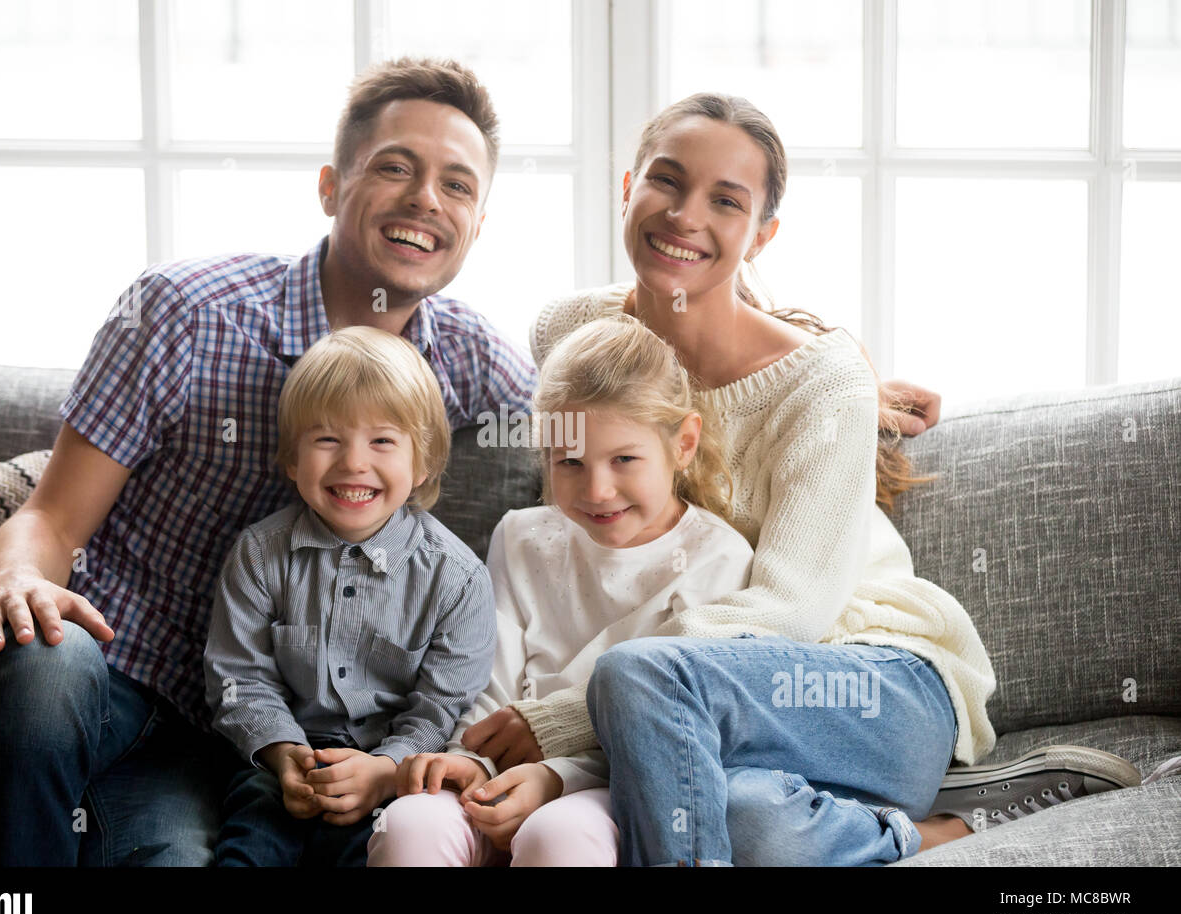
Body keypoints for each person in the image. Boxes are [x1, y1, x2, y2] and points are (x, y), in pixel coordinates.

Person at [462, 92, 1140, 866]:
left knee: (636, 673)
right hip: (708, 711)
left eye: (726, 200)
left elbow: (792, 608)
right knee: (748, 826)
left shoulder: (822, 385)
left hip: (869, 682)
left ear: (762, 234)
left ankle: (894, 790)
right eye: (666, 181)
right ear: (627, 188)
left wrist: (563, 719)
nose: (685, 215)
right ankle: (932, 829)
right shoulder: (570, 331)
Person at [0, 57, 537, 867]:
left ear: (478, 224)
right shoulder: (185, 312)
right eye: (395, 168)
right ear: (330, 187)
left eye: (458, 186)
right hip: (69, 677)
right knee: (50, 657)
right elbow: (50, 519)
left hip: (200, 744)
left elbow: (604, 425)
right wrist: (17, 581)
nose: (426, 200)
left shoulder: (463, 354)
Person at [366, 318, 754, 866]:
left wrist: (554, 777)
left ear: (683, 443)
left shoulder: (717, 558)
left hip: (614, 781)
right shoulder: (523, 535)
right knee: (412, 822)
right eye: (569, 462)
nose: (597, 490)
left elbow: (677, 729)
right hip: (498, 772)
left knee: (559, 836)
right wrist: (470, 761)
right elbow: (488, 676)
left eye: (624, 459)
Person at [203, 327, 495, 867]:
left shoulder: (458, 578)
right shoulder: (260, 554)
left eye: (382, 441)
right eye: (327, 440)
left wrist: (385, 771)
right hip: (282, 765)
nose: (354, 463)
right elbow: (239, 678)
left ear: (422, 462)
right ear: (292, 459)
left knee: (382, 848)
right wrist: (282, 754)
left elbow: (442, 707)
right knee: (251, 844)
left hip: (390, 775)